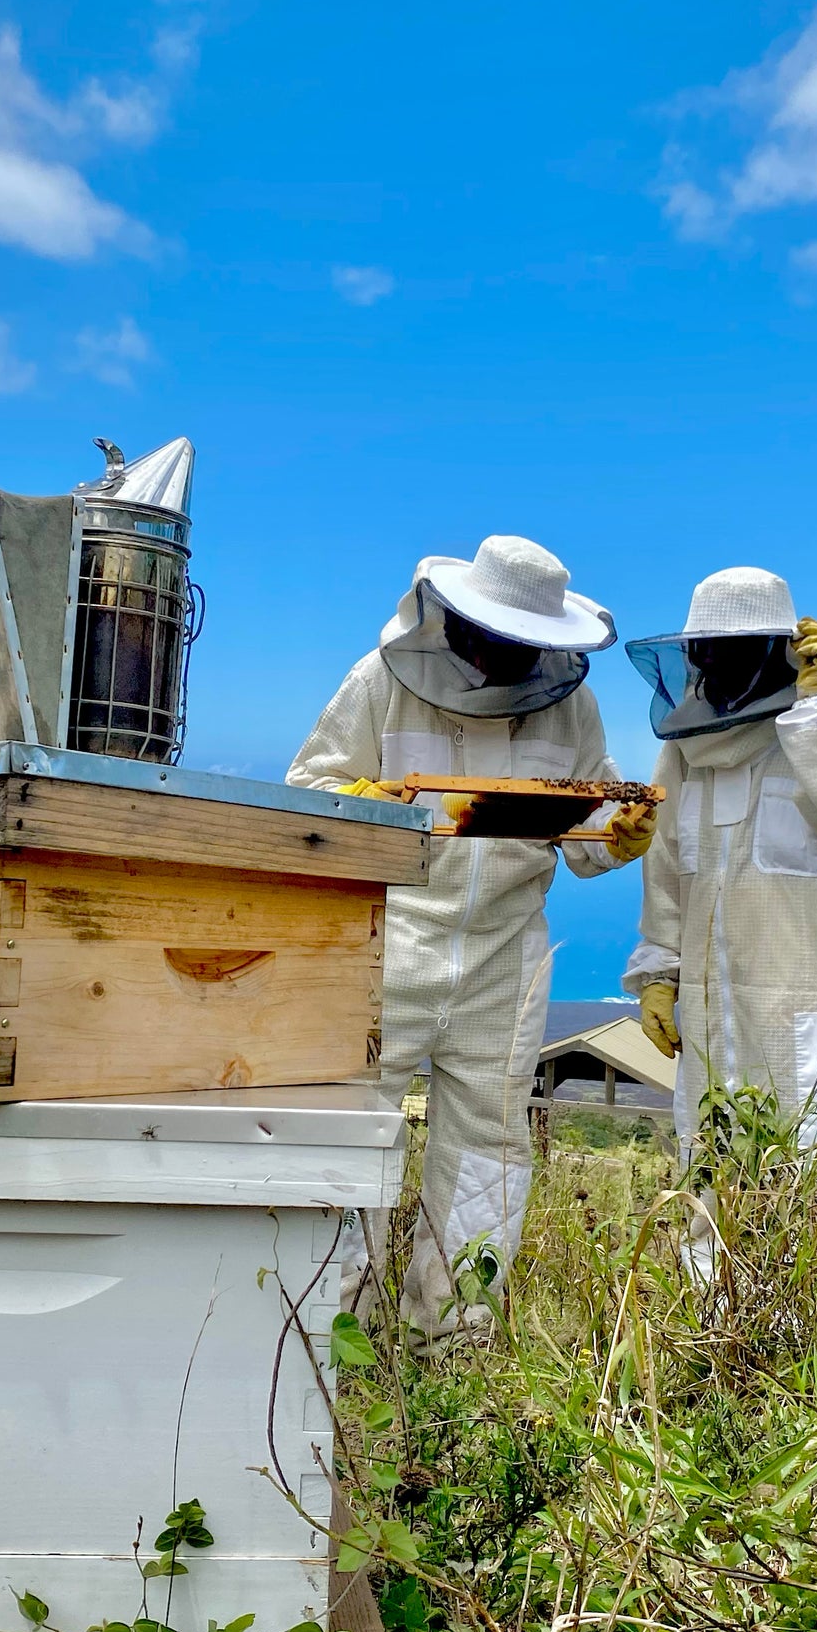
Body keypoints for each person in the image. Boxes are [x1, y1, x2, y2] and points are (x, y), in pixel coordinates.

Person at [290, 535, 653, 1336]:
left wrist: (619, 834)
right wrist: (350, 805)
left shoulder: (572, 706)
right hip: (385, 941)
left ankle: (452, 1338)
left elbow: (587, 834)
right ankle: (327, 1338)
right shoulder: (379, 681)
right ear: (458, 620)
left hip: (505, 953)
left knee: (488, 1147)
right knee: (350, 1129)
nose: (508, 656)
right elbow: (308, 788)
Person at [621, 567, 817, 1169]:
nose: (715, 665)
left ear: (776, 652)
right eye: (705, 651)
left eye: (732, 652)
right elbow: (668, 864)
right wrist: (660, 972)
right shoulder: (687, 744)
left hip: (811, 1012)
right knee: (715, 1180)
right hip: (710, 1014)